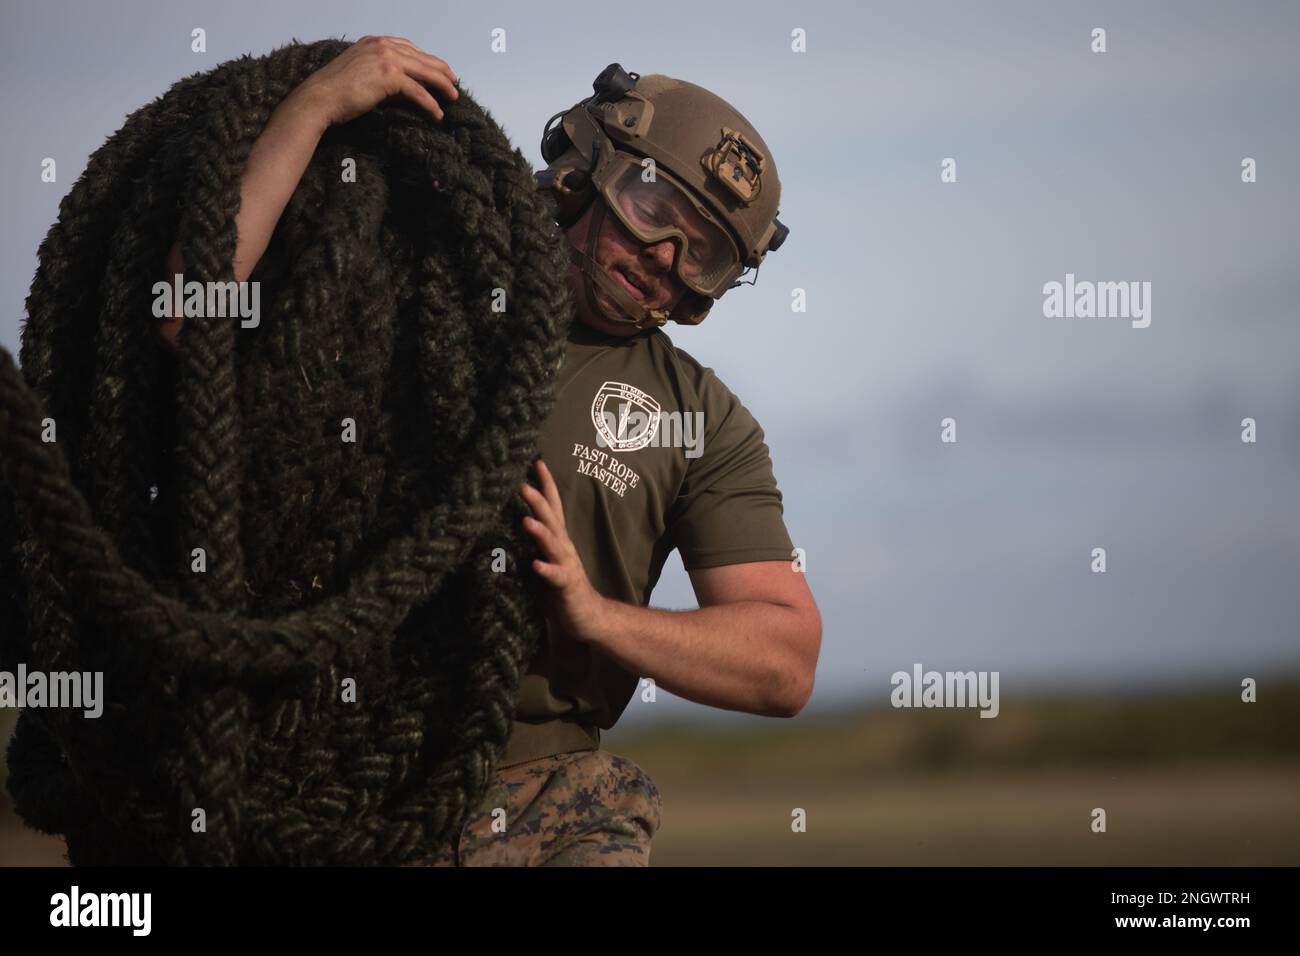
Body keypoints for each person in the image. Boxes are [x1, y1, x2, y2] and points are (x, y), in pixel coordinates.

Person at [156, 36, 822, 866]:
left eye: (706, 253)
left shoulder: (703, 421)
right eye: (652, 207)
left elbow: (784, 662)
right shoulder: (407, 272)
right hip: (316, 769)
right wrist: (314, 107)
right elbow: (190, 316)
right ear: (587, 172)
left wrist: (597, 615)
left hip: (544, 794)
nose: (664, 259)